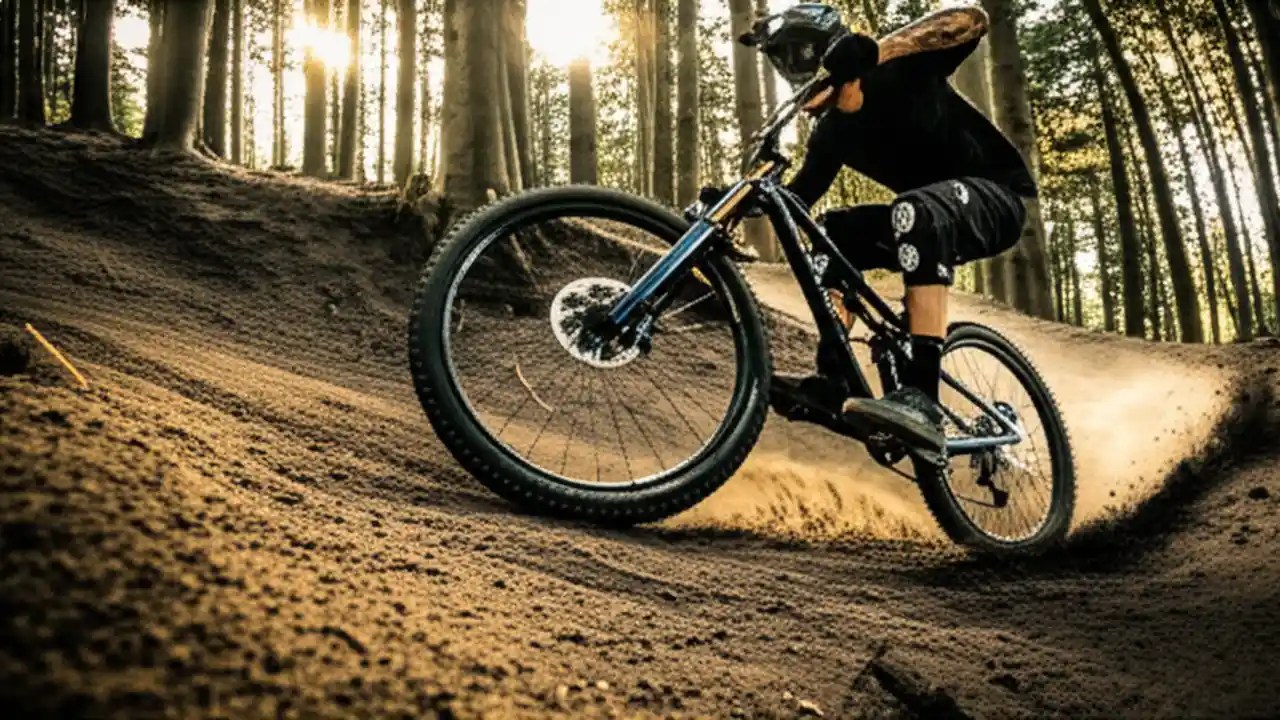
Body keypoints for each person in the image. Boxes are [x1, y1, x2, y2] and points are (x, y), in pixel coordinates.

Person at [729, 3, 1037, 457]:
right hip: (925, 216)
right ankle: (833, 379)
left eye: (798, 55)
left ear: (826, 50)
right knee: (831, 234)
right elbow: (798, 200)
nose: (792, 70)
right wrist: (736, 204)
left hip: (997, 199)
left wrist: (874, 52)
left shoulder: (899, 70)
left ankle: (923, 401)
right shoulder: (831, 133)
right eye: (782, 61)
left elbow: (971, 20)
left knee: (913, 210)